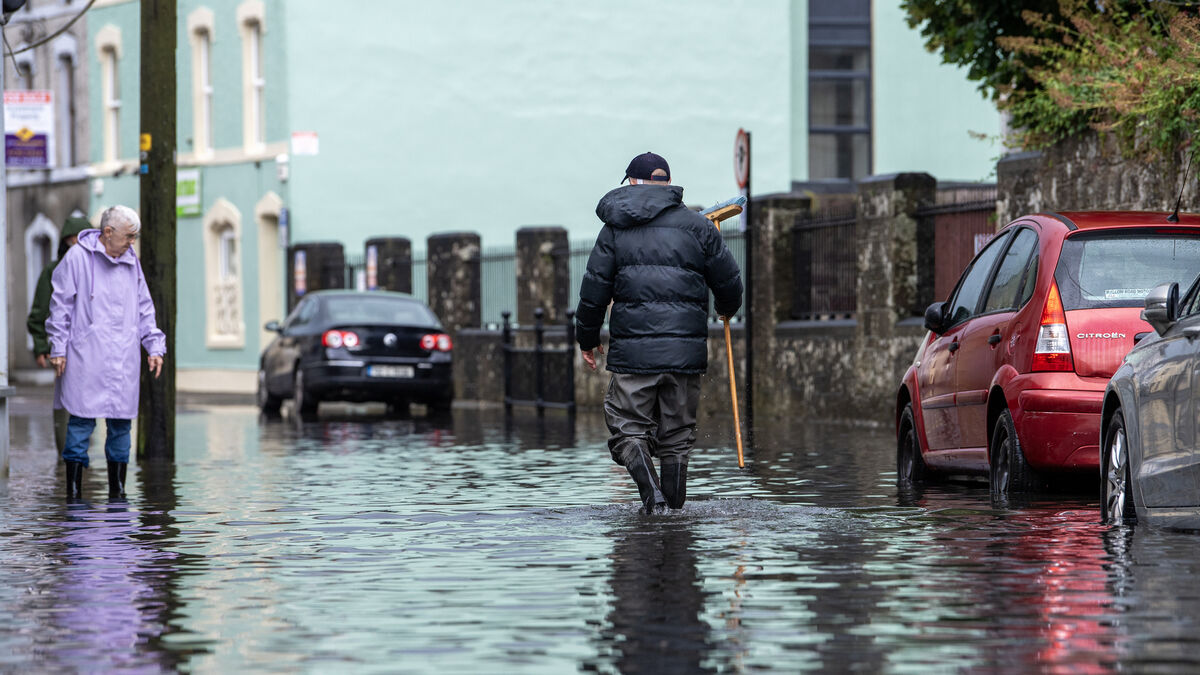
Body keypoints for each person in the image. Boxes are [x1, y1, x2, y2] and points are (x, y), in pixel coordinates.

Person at [575, 152, 743, 514]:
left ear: (632, 183)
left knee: (627, 428)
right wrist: (726, 309)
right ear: (667, 184)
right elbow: (730, 284)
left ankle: (655, 502)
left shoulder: (615, 230)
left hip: (634, 356)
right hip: (685, 355)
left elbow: (594, 290)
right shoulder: (698, 227)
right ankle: (674, 512)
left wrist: (587, 338)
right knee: (677, 437)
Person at [46, 205, 166, 499]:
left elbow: (143, 307)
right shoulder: (77, 258)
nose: (132, 242)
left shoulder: (130, 262)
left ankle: (118, 492)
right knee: (80, 421)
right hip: (86, 355)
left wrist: (154, 345)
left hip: (122, 356)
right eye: (128, 236)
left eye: (135, 237)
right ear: (107, 232)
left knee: (121, 423)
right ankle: (73, 492)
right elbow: (60, 306)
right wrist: (58, 348)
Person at [26, 215, 93, 455]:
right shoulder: (54, 271)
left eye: (82, 239)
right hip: (65, 348)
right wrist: (43, 347)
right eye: (71, 240)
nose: (77, 244)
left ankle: (81, 457)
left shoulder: (100, 269)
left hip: (95, 348)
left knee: (93, 404)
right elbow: (40, 311)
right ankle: (68, 460)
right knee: (66, 401)